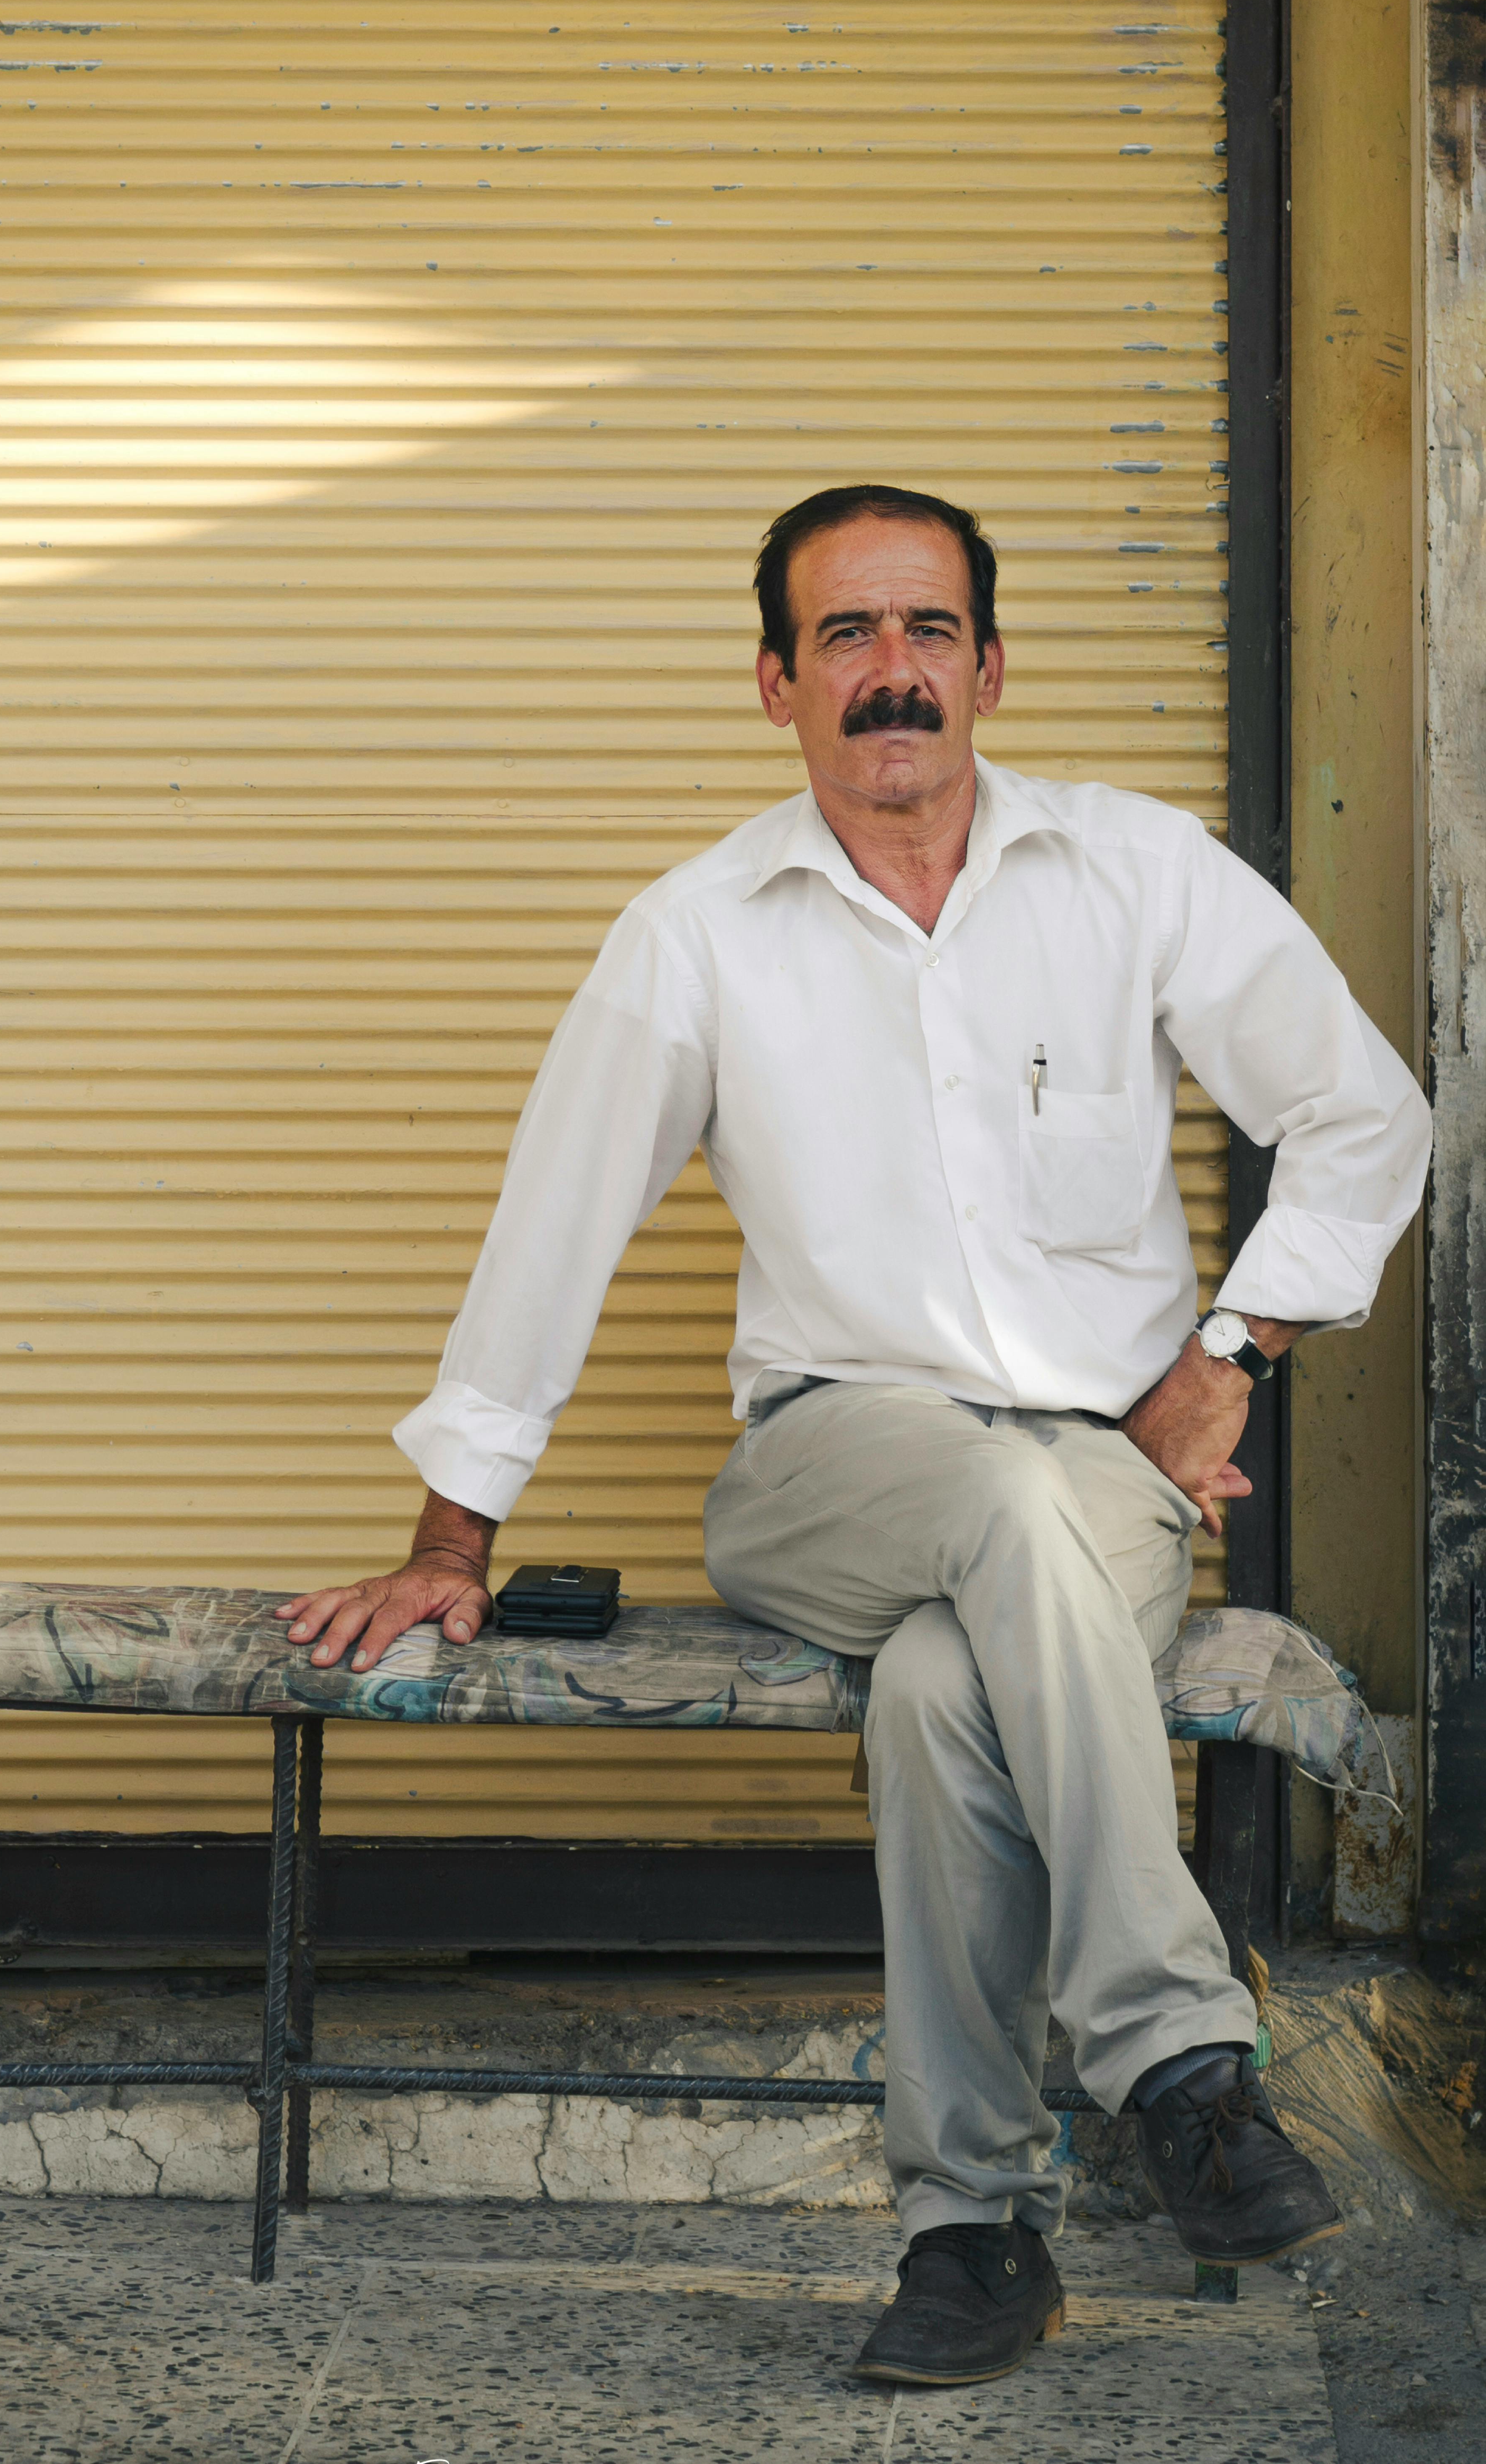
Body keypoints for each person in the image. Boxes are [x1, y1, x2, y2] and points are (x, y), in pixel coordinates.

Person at [281, 482, 1430, 2390]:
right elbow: (549, 1225)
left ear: (987, 667)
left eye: (922, 633)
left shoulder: (1136, 875)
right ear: (772, 685)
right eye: (841, 637)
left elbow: (1365, 1118)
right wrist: (449, 1541)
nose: (887, 673)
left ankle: (967, 2235)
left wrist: (1230, 1343)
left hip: (1103, 1477)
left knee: (931, 1694)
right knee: (981, 1500)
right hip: (830, 1460)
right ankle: (1177, 2060)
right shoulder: (697, 934)